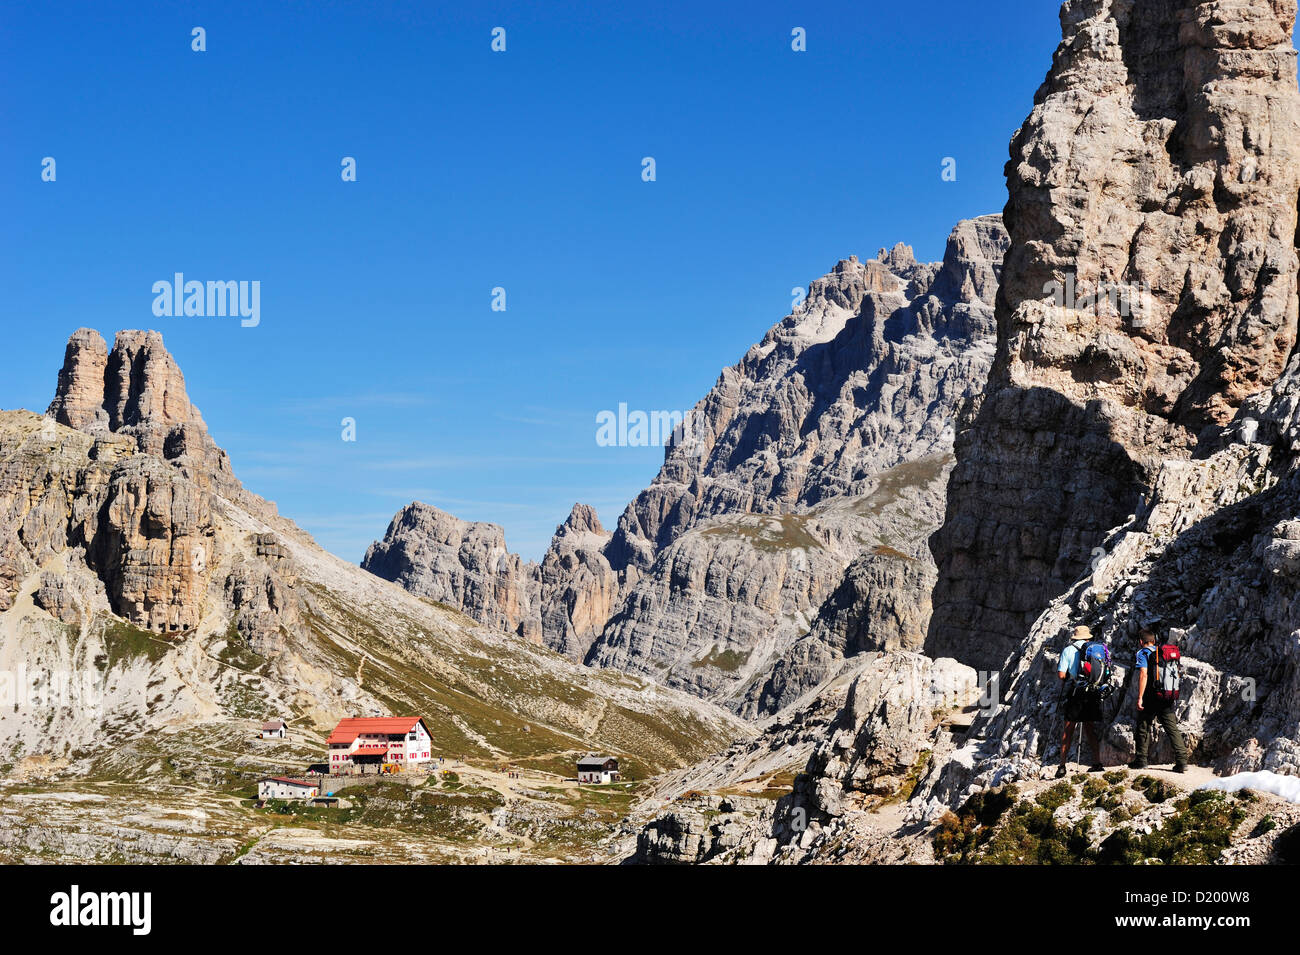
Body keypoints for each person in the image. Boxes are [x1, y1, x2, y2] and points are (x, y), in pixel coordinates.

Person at [1130, 628, 1189, 772]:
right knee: (1171, 728)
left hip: (1151, 696)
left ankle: (1141, 760)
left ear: (1140, 642)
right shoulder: (1162, 653)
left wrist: (1140, 698)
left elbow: (1143, 674)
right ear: (1154, 641)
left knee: (1143, 726)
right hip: (1167, 695)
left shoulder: (1143, 653)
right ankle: (1182, 761)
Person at [1057, 624, 1105, 777]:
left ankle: (1062, 766)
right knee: (1090, 728)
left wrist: (1069, 678)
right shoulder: (1097, 649)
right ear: (1087, 637)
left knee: (1069, 729)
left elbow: (1061, 675)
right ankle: (1097, 763)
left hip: (1076, 692)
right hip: (1093, 692)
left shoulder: (1068, 650)